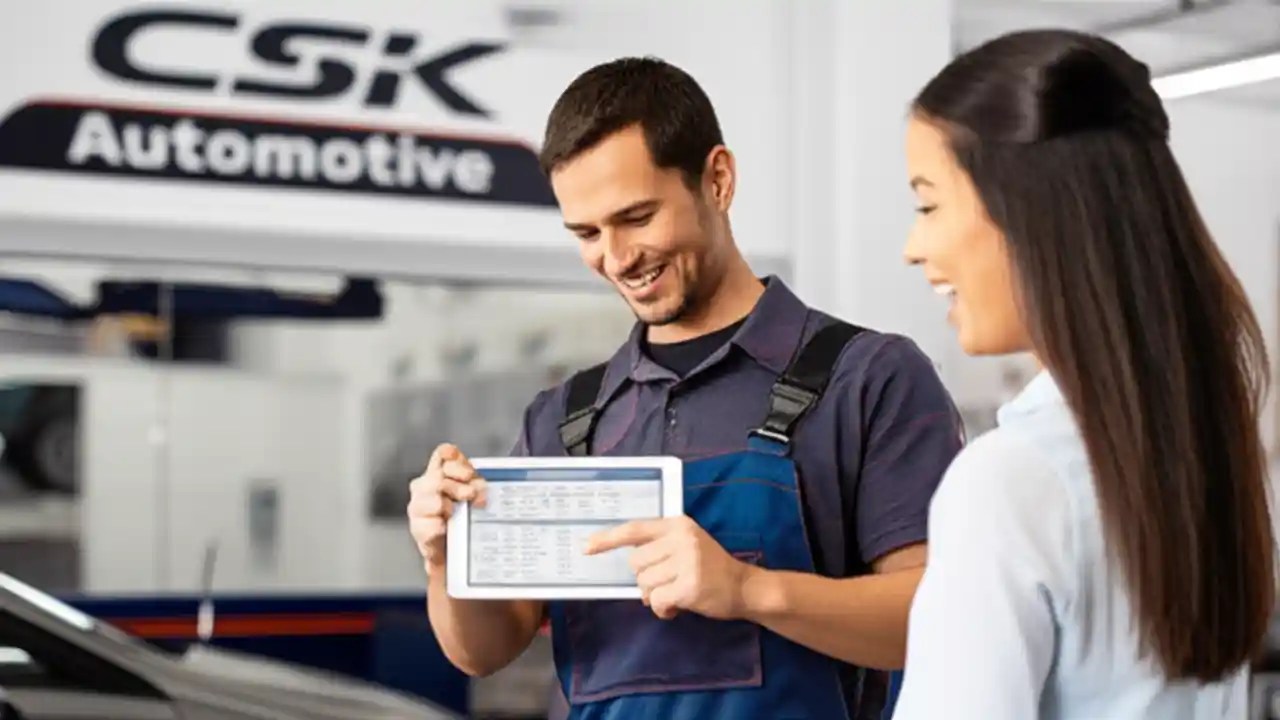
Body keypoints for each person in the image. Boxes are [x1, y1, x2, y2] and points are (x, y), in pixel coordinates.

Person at [407, 57, 963, 720]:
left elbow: (940, 616)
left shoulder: (867, 378)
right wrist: (445, 555)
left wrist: (747, 590)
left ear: (718, 180)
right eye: (587, 233)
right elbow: (486, 649)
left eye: (637, 217)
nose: (615, 258)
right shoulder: (565, 421)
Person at [891, 29, 1276, 719]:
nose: (914, 247)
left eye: (928, 204)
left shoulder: (1010, 483)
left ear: (1031, 212)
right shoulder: (1207, 451)